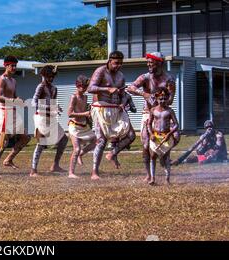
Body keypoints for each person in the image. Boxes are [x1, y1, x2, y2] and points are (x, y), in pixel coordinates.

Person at [127, 52, 177, 182]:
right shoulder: (145, 77)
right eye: (147, 62)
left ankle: (164, 158)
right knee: (145, 145)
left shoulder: (169, 79)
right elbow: (130, 88)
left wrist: (161, 98)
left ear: (159, 63)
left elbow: (171, 100)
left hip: (164, 115)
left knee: (175, 137)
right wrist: (144, 94)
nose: (148, 64)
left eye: (151, 62)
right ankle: (149, 175)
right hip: (148, 113)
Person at [88, 51, 136, 180]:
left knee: (131, 135)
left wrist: (123, 102)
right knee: (101, 141)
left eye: (121, 63)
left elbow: (122, 93)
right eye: (116, 63)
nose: (118, 66)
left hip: (116, 108)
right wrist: (106, 89)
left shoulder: (121, 76)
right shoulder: (100, 71)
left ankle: (113, 153)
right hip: (101, 107)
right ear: (109, 61)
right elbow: (90, 88)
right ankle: (94, 172)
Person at [0, 56, 31, 177]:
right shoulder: (1, 79)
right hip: (3, 112)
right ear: (5, 65)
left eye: (15, 66)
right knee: (3, 142)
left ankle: (8, 159)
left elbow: (15, 96)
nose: (13, 68)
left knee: (26, 137)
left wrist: (22, 103)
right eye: (11, 65)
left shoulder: (13, 81)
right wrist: (14, 100)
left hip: (12, 111)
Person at [29, 65, 68, 177]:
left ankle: (55, 165)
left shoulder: (54, 88)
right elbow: (34, 103)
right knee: (42, 142)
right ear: (43, 76)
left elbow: (53, 103)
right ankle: (33, 170)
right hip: (41, 117)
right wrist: (48, 108)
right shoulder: (40, 87)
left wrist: (56, 108)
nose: (51, 79)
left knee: (64, 139)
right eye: (49, 76)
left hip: (50, 117)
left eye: (52, 76)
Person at [147, 89, 180, 185]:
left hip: (166, 136)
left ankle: (167, 179)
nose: (163, 101)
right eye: (160, 99)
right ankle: (152, 179)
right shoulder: (153, 110)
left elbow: (176, 124)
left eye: (165, 99)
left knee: (166, 157)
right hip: (155, 136)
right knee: (153, 156)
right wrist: (151, 134)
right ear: (157, 99)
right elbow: (148, 124)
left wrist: (169, 134)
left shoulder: (170, 111)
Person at [67, 75, 96, 178]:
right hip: (74, 126)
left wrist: (90, 114)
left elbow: (85, 112)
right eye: (83, 87)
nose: (84, 89)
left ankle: (81, 154)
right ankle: (71, 173)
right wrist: (84, 114)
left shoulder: (85, 97)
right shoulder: (73, 97)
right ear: (78, 86)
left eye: (85, 87)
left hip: (83, 125)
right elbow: (69, 113)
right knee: (77, 148)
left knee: (96, 141)